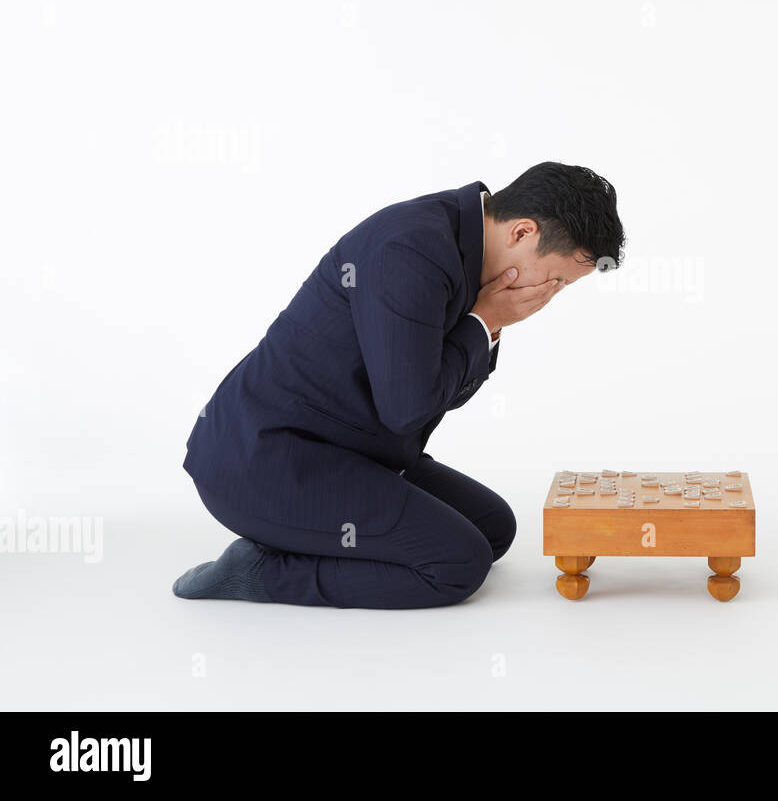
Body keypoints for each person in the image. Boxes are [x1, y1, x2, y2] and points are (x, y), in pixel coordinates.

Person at [172, 162, 625, 609]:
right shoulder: (411, 249)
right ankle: (260, 573)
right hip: (266, 461)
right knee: (456, 565)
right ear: (522, 233)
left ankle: (317, 540)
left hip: (352, 448)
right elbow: (408, 409)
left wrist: (486, 326)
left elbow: (445, 393)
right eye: (558, 279)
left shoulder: (472, 251)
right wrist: (486, 320)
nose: (550, 293)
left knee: (492, 529)